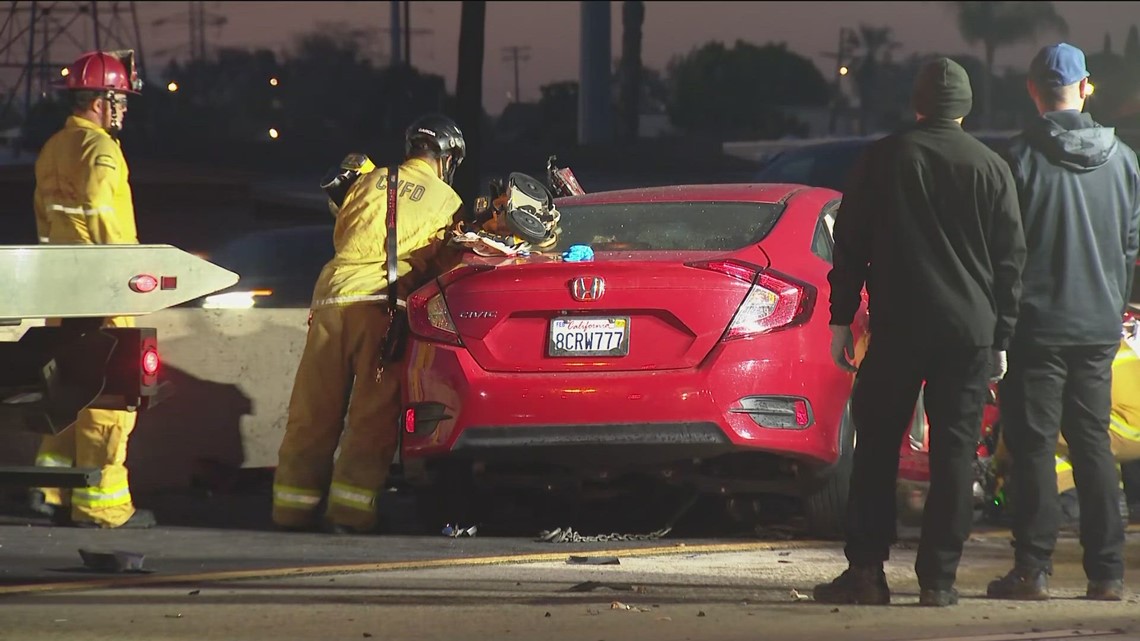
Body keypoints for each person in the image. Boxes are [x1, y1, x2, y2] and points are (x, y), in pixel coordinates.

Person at [814, 57, 1026, 607]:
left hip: (900, 326)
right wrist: (1002, 336)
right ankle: (940, 580)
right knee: (955, 452)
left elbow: (850, 246)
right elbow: (1011, 262)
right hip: (970, 332)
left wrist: (841, 321)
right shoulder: (991, 167)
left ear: (919, 103)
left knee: (877, 446)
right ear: (966, 107)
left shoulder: (883, 158)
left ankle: (867, 572)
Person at [987, 43, 1140, 602]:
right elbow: (1130, 247)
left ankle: (1032, 569)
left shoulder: (1019, 158)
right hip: (1098, 327)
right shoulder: (1124, 159)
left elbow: (1004, 254)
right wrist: (1110, 304)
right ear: (1085, 87)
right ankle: (1107, 574)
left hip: (1036, 329)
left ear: (1033, 91)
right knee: (1093, 444)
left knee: (1031, 449)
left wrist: (999, 330)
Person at [271, 114, 467, 534]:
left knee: (313, 409)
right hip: (381, 308)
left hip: (330, 297)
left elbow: (344, 226)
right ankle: (350, 513)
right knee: (371, 417)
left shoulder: (369, 179)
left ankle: (290, 508)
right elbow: (445, 263)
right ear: (447, 158)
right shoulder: (446, 200)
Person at [27, 50, 155, 529]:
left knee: (65, 390)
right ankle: (103, 508)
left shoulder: (54, 147)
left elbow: (45, 221)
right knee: (111, 396)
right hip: (103, 286)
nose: (122, 108)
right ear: (102, 101)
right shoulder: (101, 150)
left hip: (63, 284)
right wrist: (124, 272)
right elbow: (104, 214)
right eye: (118, 99)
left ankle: (49, 492)